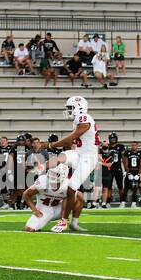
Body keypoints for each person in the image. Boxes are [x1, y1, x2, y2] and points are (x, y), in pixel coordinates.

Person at [47, 95, 99, 233]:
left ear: (79, 107)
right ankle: (41, 171)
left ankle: (64, 221)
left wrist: (54, 144)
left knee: (71, 189)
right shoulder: (78, 120)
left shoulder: (84, 118)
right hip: (79, 154)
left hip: (88, 158)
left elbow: (73, 136)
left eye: (70, 108)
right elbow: (73, 140)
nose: (69, 111)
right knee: (61, 157)